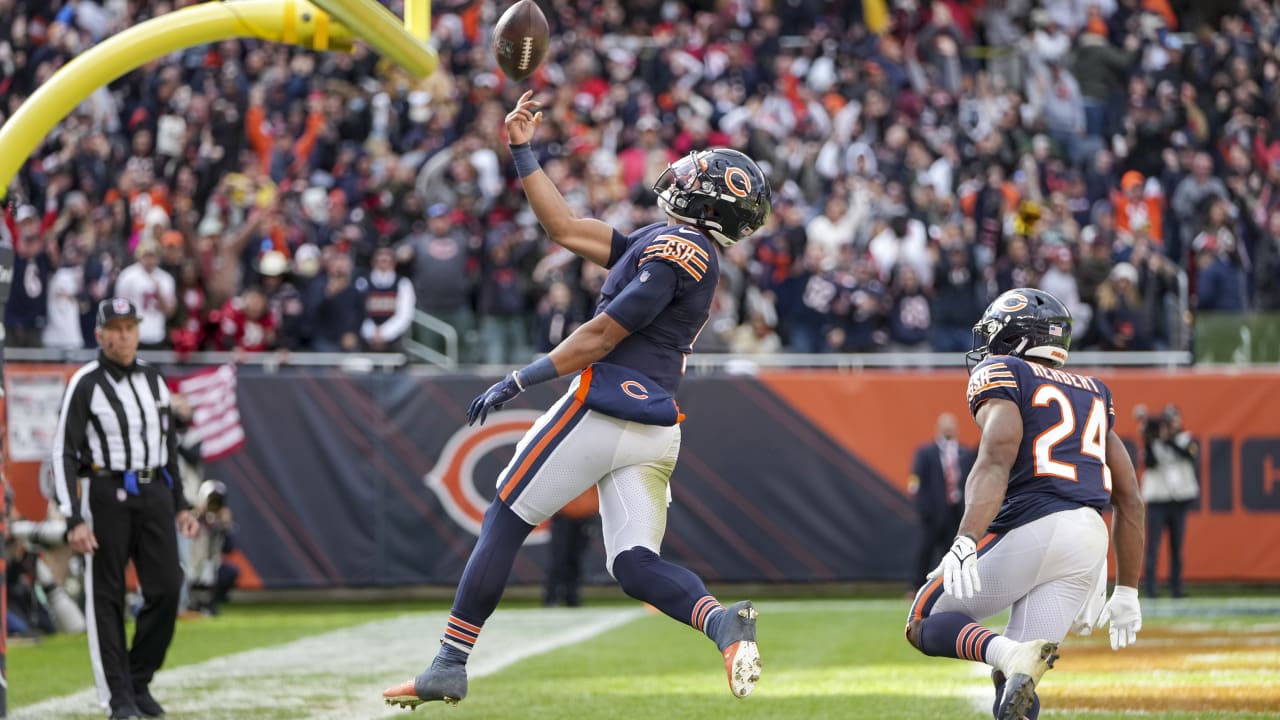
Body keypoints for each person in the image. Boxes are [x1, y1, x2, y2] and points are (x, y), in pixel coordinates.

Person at [383, 90, 772, 710]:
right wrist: (522, 150)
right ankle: (722, 624)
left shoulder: (678, 250)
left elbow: (599, 336)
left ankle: (448, 663)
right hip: (655, 430)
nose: (685, 170)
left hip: (604, 407)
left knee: (506, 515)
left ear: (706, 198)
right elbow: (562, 228)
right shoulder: (676, 247)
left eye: (699, 173)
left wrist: (518, 380)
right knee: (636, 565)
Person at [904, 288, 1146, 720]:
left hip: (1036, 526)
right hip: (1088, 539)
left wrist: (965, 539)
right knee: (1016, 683)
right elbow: (1129, 496)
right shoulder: (1094, 390)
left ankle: (1007, 652)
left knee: (924, 619)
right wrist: (1127, 587)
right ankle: (1012, 659)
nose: (986, 347)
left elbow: (995, 458)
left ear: (1016, 338)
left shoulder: (1006, 371)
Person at [50, 298, 200, 720]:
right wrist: (73, 518)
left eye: (129, 327)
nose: (123, 335)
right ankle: (118, 698)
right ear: (99, 335)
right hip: (106, 493)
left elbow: (167, 445)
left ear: (138, 330)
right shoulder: (85, 382)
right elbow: (63, 452)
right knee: (108, 597)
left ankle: (139, 678)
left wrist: (181, 504)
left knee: (169, 587)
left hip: (153, 493)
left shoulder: (154, 380)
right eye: (114, 328)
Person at [1136, 404, 1199, 599]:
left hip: (1179, 501)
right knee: (1153, 546)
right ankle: (1151, 588)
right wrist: (1150, 440)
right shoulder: (1154, 443)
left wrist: (1167, 441)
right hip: (1158, 500)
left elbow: (1189, 454)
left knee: (1176, 546)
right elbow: (1150, 463)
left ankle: (1176, 587)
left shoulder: (1186, 439)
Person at [908, 413, 975, 589]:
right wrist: (924, 508)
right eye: (945, 425)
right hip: (934, 512)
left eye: (951, 425)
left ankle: (951, 588)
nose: (948, 429)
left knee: (953, 551)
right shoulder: (925, 452)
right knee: (925, 552)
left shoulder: (965, 453)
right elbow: (916, 481)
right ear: (938, 427)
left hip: (956, 513)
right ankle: (917, 588)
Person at [543, 486, 599, 608]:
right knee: (559, 557)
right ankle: (552, 596)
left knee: (577, 558)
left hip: (585, 515)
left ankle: (572, 596)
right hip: (563, 515)